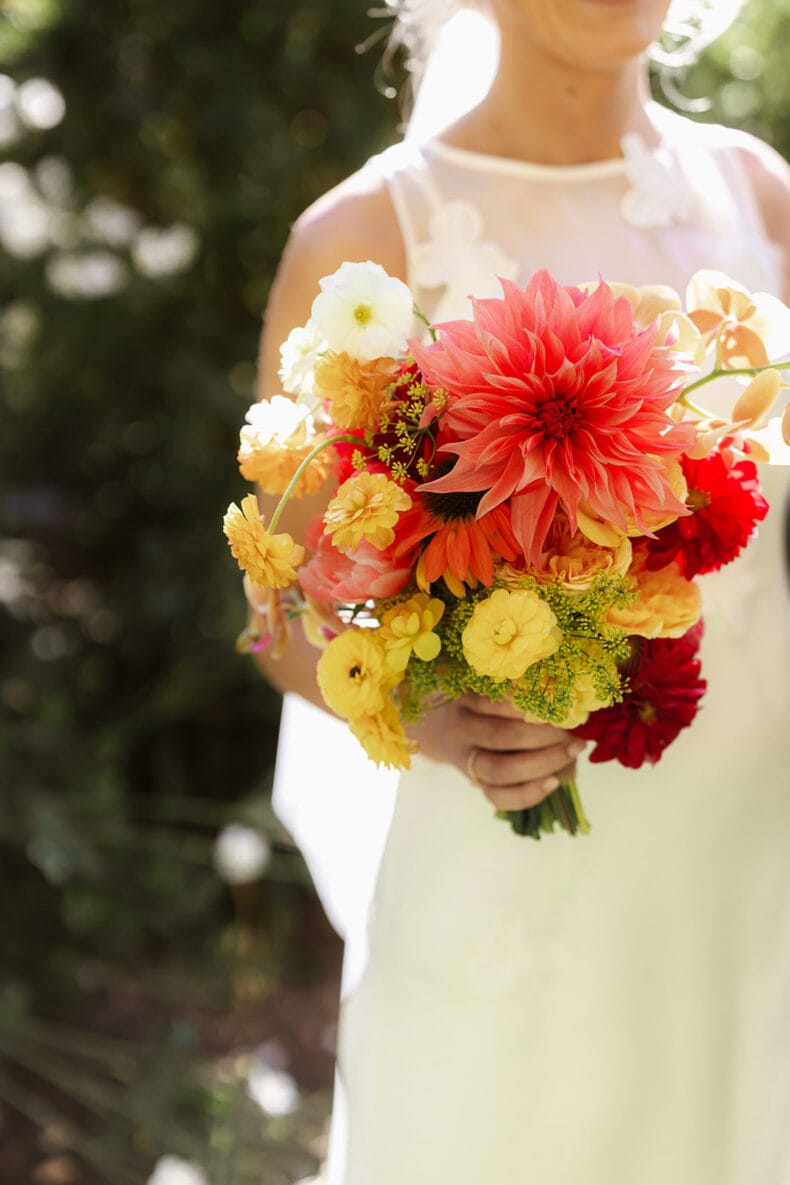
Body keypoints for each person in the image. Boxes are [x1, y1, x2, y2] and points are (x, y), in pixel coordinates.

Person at [255, 2, 790, 1182]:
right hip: (514, 864)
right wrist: (424, 714)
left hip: (752, 870)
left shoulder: (760, 197)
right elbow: (282, 613)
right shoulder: (366, 237)